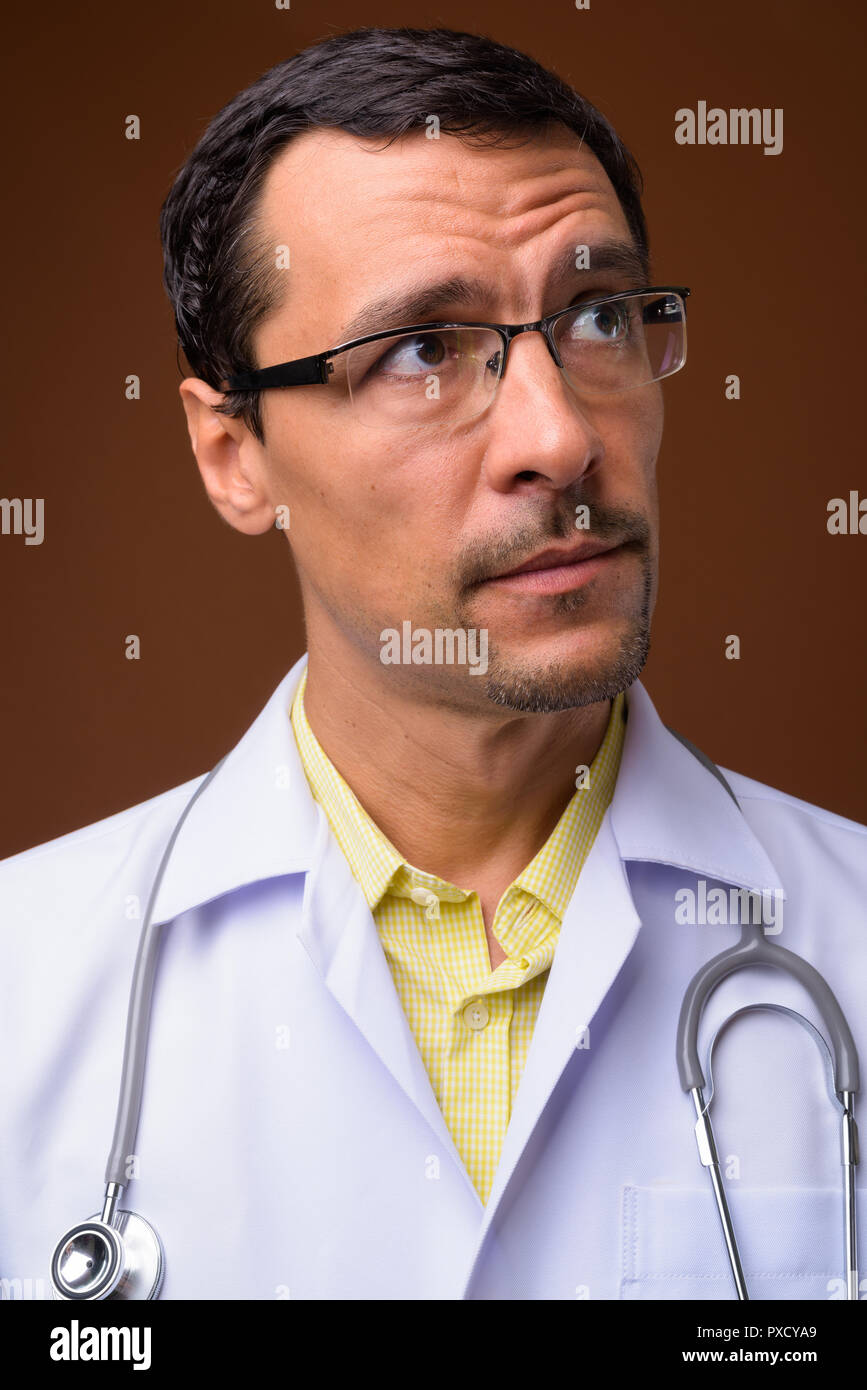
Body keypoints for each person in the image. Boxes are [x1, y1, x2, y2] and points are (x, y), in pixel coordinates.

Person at [1, 26, 864, 1302]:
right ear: (234, 455)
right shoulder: (26, 980)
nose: (561, 437)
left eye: (599, 316)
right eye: (423, 349)